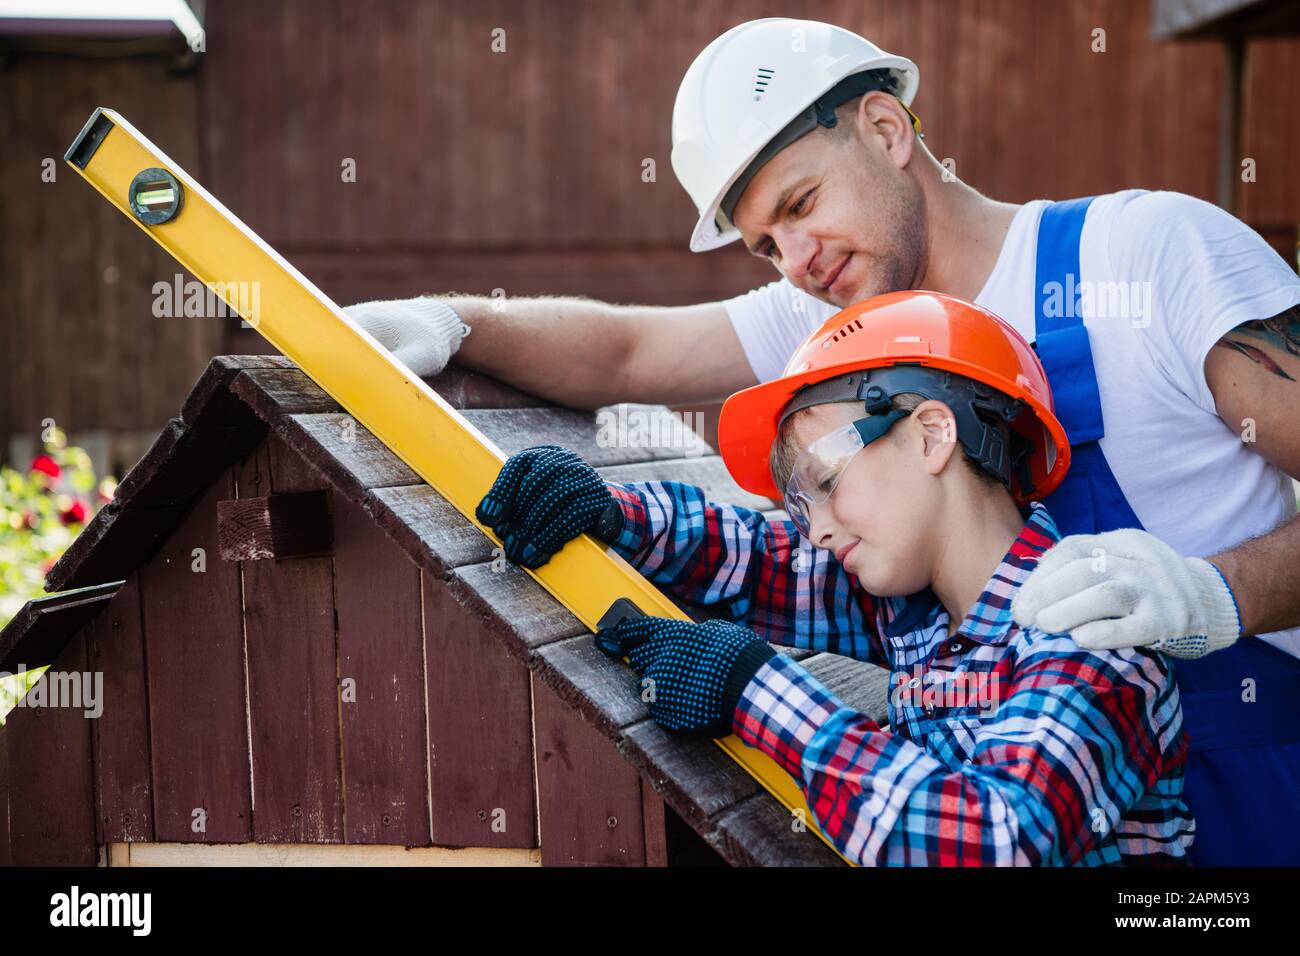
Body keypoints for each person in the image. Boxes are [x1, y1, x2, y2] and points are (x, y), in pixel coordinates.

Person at [346, 18, 1300, 865]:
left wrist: (1214, 592)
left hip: (1266, 782)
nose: (796, 265)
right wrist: (457, 325)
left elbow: (996, 835)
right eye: (765, 245)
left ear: (887, 131)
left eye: (798, 205)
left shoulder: (1142, 259)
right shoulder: (844, 342)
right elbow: (635, 356)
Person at [474, 291, 1195, 866]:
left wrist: (754, 692)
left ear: (931, 434)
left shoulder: (1094, 629)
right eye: (800, 504)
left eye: (824, 479)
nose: (815, 528)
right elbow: (757, 562)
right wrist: (611, 512)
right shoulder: (911, 608)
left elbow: (998, 841)